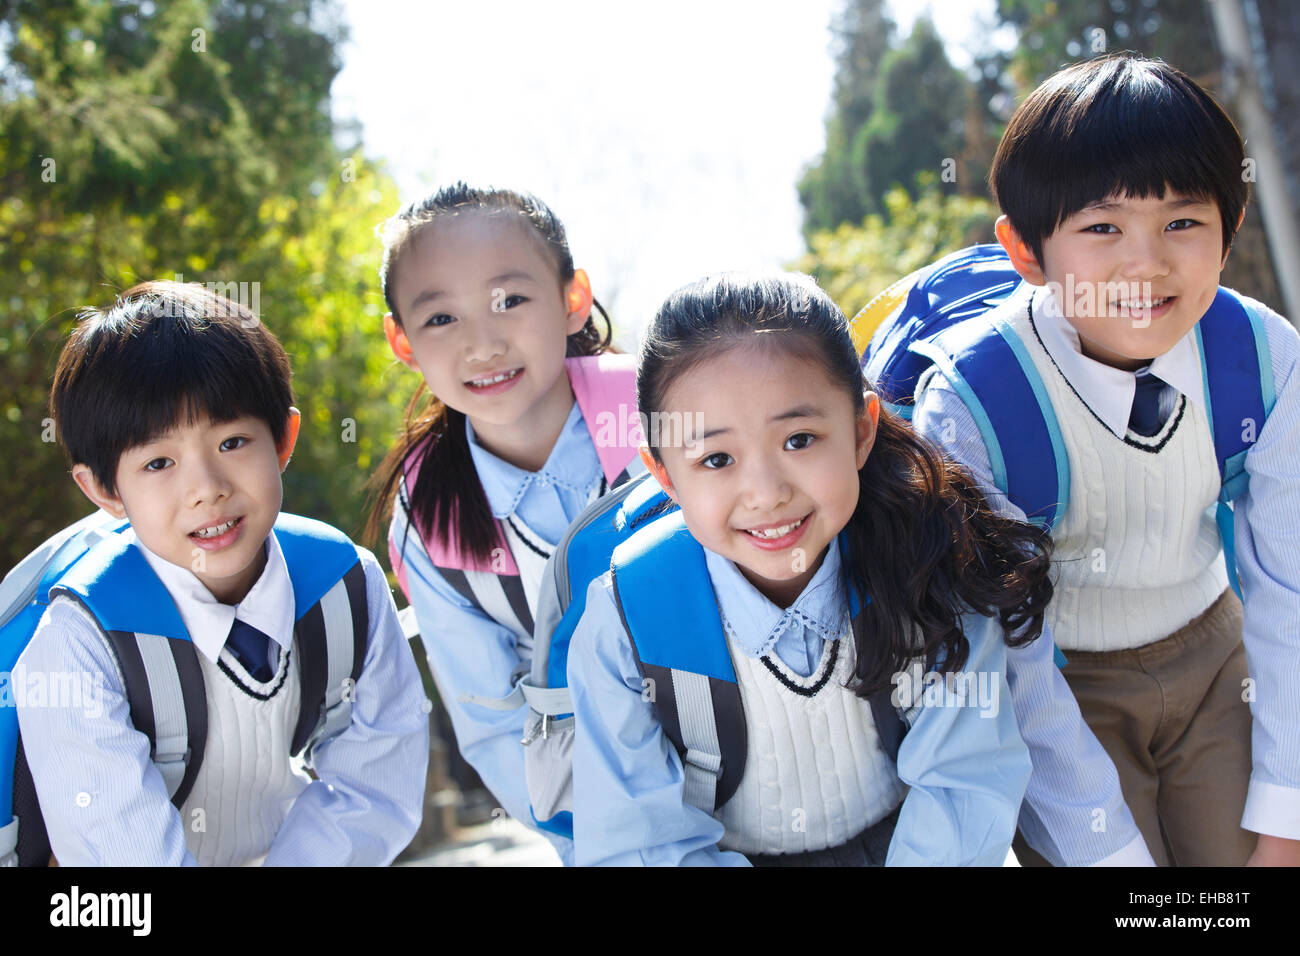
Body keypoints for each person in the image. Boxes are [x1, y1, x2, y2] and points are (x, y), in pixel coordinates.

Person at [912, 53, 1300, 866]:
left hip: (1219, 658)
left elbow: (1289, 589)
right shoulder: (978, 400)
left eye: (1182, 223)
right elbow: (1003, 650)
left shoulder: (1263, 356)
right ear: (1024, 249)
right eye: (1101, 228)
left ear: (1229, 232)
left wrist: (1286, 817)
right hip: (1060, 685)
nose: (1146, 263)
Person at [566, 271, 1046, 865]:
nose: (765, 494)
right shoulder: (632, 612)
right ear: (664, 474)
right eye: (716, 458)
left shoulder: (920, 553)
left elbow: (963, 784)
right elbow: (639, 840)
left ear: (861, 430)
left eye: (799, 440)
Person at [16, 280, 429, 865]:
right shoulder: (81, 643)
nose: (206, 488)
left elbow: (375, 784)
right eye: (158, 462)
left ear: (284, 438)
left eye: (233, 441)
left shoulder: (344, 588)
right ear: (104, 489)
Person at [366, 183, 642, 855]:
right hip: (609, 822)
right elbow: (492, 721)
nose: (482, 344)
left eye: (510, 301)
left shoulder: (663, 414)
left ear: (572, 299)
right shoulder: (428, 511)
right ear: (402, 342)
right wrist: (603, 842)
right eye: (440, 319)